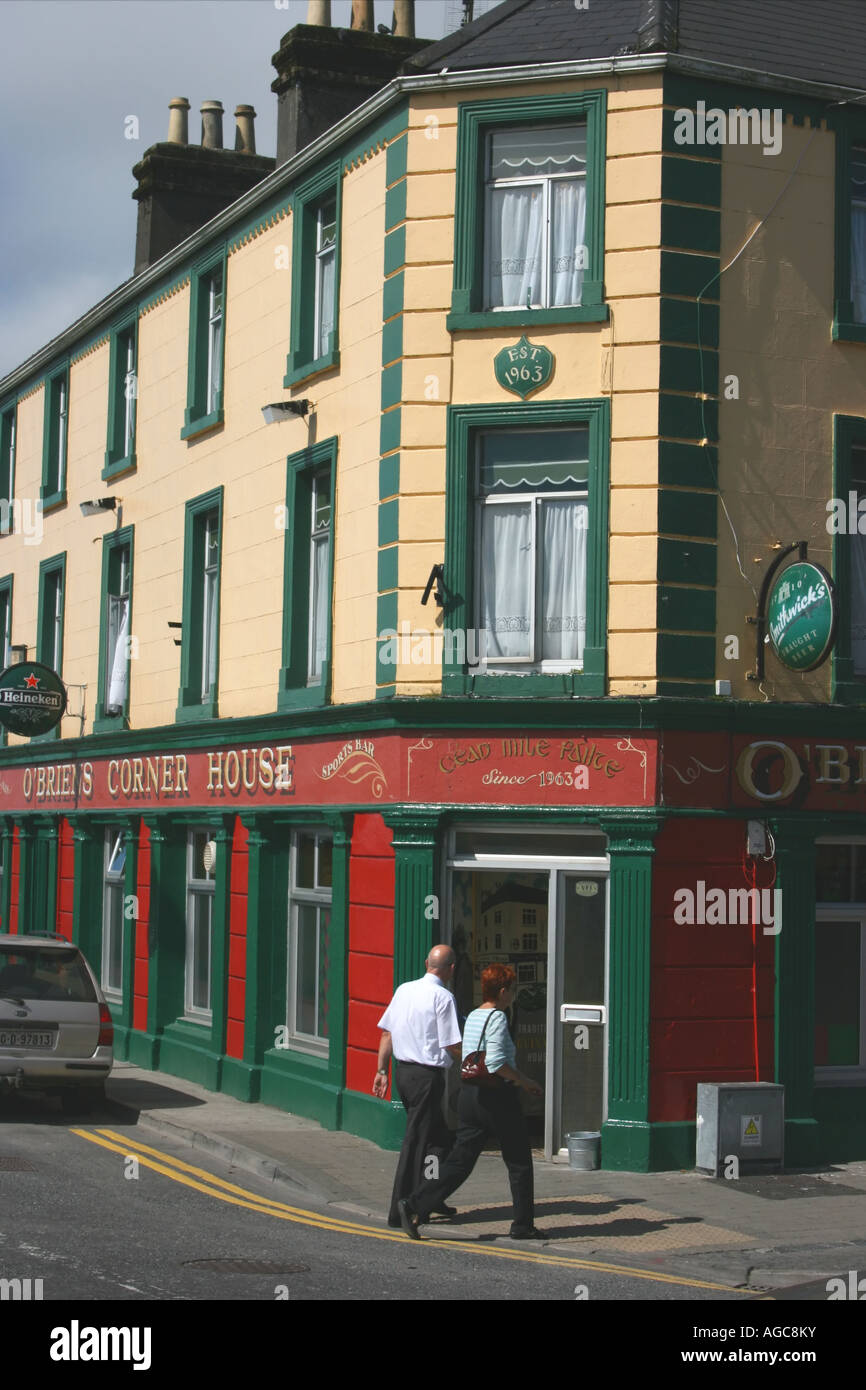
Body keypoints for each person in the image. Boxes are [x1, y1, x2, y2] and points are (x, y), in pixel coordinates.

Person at [398, 962, 543, 1241]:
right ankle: (522, 1225)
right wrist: (526, 1082)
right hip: (497, 1098)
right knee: (519, 1163)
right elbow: (497, 1061)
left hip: (470, 1095)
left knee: (460, 1162)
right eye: (511, 990)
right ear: (502, 991)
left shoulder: (475, 1015)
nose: (512, 995)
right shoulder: (499, 1017)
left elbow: (468, 1053)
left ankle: (413, 1203)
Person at [374, 944, 463, 1228]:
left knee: (439, 1142)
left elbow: (387, 1032)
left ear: (427, 963)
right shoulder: (443, 997)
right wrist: (475, 1060)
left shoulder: (404, 990)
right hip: (427, 1078)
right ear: (451, 969)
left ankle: (431, 1196)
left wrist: (381, 1070)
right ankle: (400, 1209)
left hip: (403, 1074)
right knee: (416, 1142)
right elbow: (451, 1043)